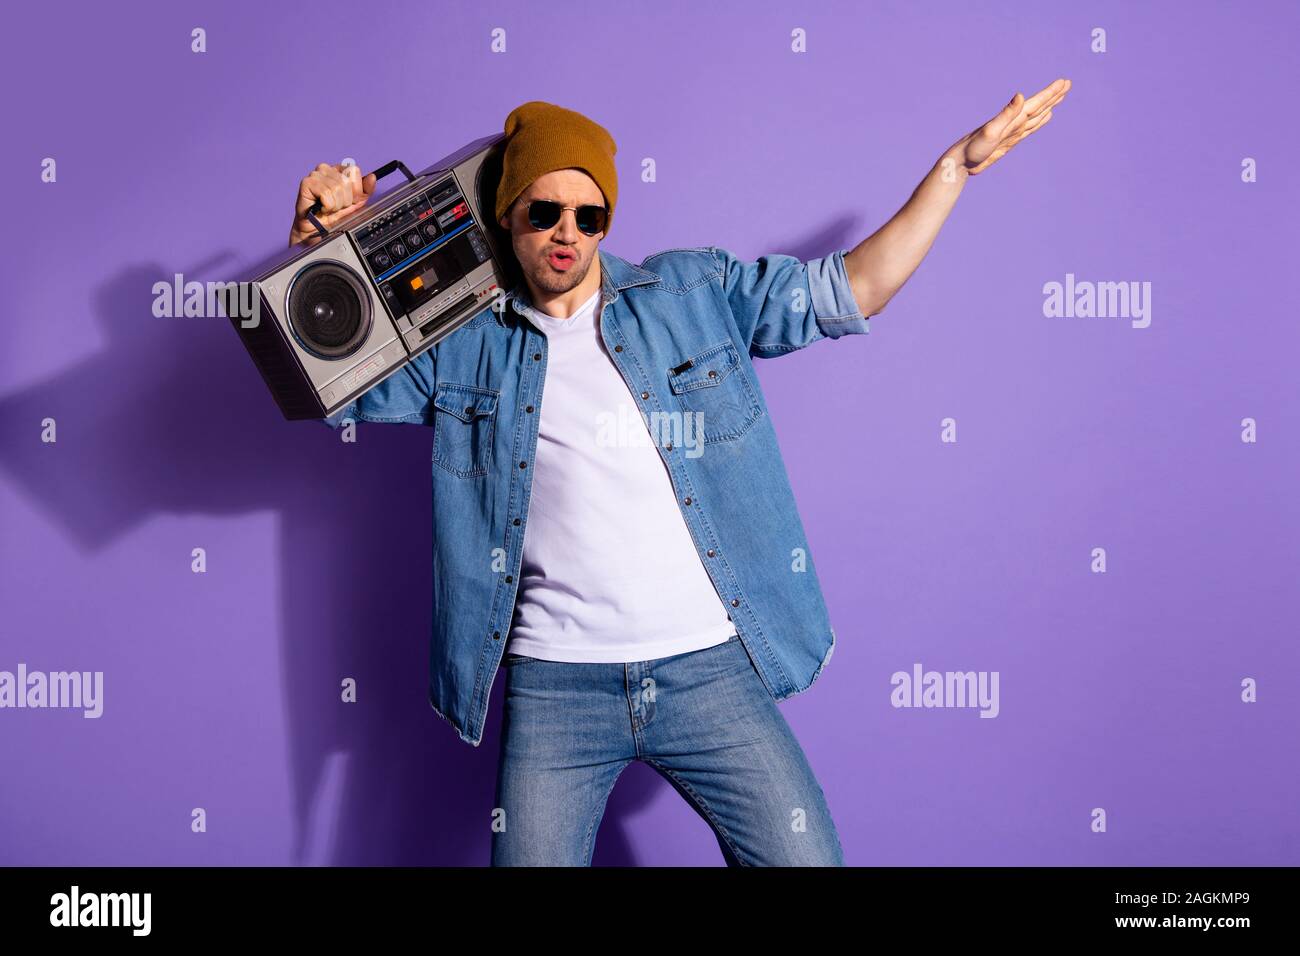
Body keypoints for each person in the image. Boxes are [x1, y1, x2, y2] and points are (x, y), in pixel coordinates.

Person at [288, 84, 1071, 866]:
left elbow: (852, 289)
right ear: (505, 215)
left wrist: (954, 171)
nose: (567, 234)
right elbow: (327, 390)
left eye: (588, 216)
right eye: (544, 212)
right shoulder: (463, 345)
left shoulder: (692, 296)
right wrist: (315, 246)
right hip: (556, 687)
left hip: (708, 669)